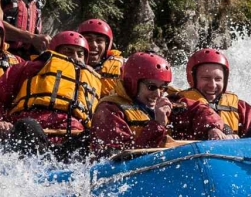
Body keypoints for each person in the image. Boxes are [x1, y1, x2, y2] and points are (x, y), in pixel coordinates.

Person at [0, 31, 104, 157]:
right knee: (26, 124)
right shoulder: (27, 68)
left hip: (70, 139)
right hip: (32, 132)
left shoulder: (93, 80)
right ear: (55, 52)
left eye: (80, 54)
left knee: (95, 135)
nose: (75, 57)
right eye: (68, 51)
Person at [89, 53, 226, 155]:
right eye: (151, 87)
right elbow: (118, 159)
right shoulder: (110, 110)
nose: (158, 94)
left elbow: (199, 109)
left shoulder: (170, 103)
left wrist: (213, 128)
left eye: (163, 87)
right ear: (132, 83)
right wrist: (158, 125)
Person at [176, 48, 251, 138]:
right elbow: (199, 112)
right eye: (206, 78)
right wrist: (213, 129)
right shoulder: (180, 103)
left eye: (218, 79)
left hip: (231, 156)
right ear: (193, 79)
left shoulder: (239, 106)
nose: (212, 85)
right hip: (197, 156)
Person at [77, 18, 123, 85]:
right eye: (88, 39)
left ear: (106, 45)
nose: (94, 45)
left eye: (99, 40)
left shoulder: (122, 67)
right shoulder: (68, 64)